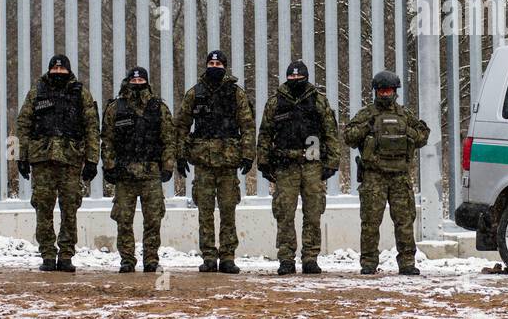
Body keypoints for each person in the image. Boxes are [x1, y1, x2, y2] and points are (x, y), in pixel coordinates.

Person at [15, 54, 100, 272]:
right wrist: (20, 157)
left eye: (63, 70)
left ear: (69, 71)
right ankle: (47, 255)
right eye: (55, 70)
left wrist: (92, 160)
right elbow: (22, 124)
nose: (59, 73)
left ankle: (66, 255)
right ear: (49, 70)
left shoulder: (80, 93)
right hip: (42, 161)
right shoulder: (37, 92)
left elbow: (92, 128)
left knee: (69, 209)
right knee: (43, 208)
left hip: (71, 161)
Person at [174, 50, 255, 273]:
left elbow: (247, 125)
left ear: (225, 67)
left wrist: (248, 154)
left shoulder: (235, 94)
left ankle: (228, 256)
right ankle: (209, 256)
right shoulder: (195, 93)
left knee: (228, 210)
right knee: (205, 211)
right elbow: (181, 125)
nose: (215, 66)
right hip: (203, 162)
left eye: (219, 63)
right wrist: (180, 155)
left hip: (229, 162)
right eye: (211, 62)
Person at [257, 60, 340, 275]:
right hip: (285, 166)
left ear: (306, 77)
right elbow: (265, 133)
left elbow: (331, 132)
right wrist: (263, 161)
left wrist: (332, 162)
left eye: (299, 77)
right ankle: (286, 258)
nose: (295, 80)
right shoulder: (275, 102)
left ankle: (310, 258)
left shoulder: (318, 101)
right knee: (284, 213)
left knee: (313, 212)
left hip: (313, 166)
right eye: (291, 77)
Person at [344, 71, 429, 276]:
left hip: (399, 176)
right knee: (371, 222)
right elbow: (349, 136)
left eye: (388, 90)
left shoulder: (404, 114)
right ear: (376, 92)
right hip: (374, 176)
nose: (385, 94)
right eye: (382, 90)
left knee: (404, 221)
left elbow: (423, 136)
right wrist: (368, 126)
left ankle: (407, 261)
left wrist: (407, 130)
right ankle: (369, 262)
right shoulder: (367, 114)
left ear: (395, 91)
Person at [102, 66, 175, 273]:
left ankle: (151, 259)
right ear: (128, 82)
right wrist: (109, 166)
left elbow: (169, 139)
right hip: (125, 174)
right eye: (133, 81)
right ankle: (127, 259)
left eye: (140, 81)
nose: (137, 84)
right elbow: (107, 140)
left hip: (151, 173)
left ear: (147, 82)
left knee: (153, 219)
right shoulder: (116, 108)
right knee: (123, 219)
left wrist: (168, 165)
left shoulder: (158, 107)